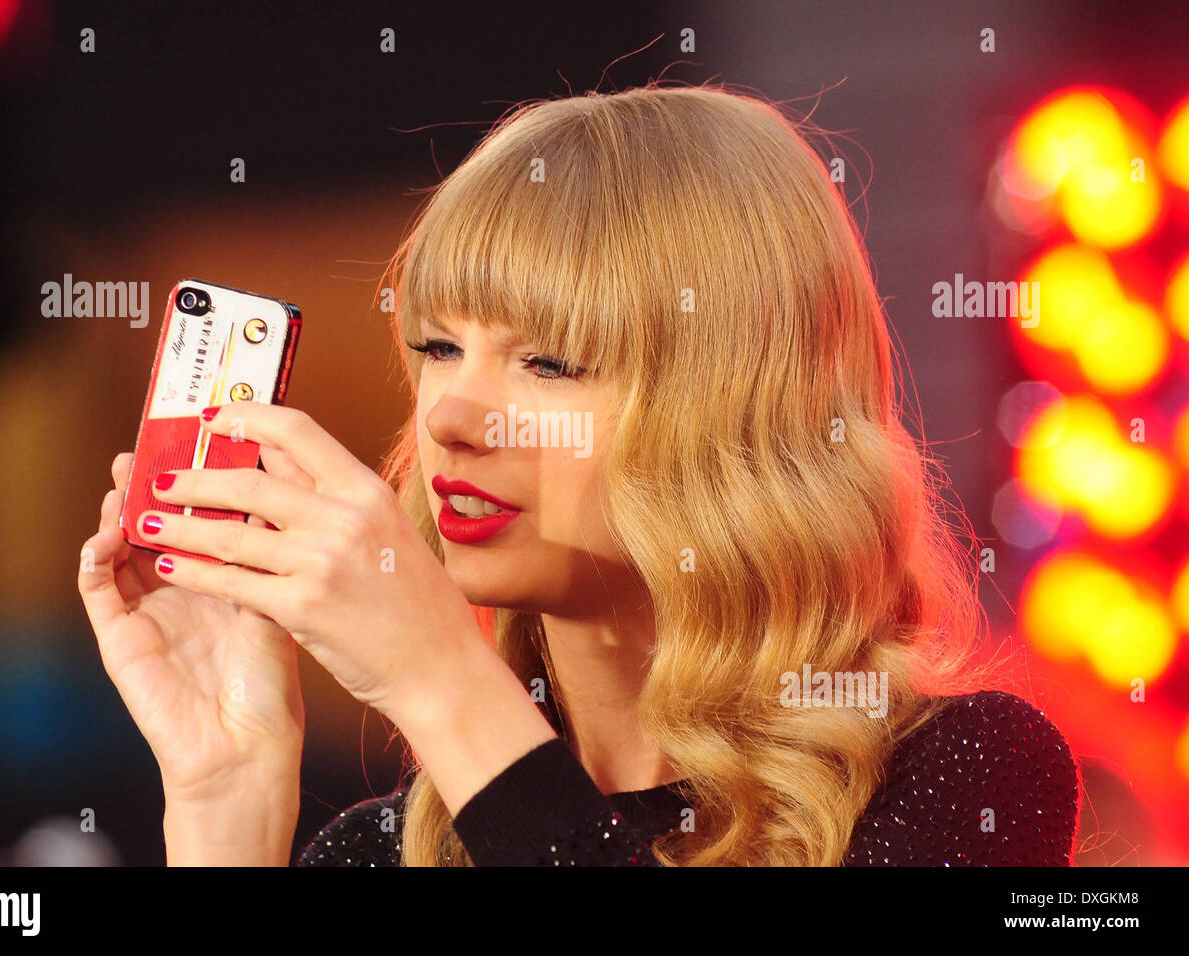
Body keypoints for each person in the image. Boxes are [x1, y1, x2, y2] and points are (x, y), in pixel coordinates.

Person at [77, 82, 1079, 867]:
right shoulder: (385, 849)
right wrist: (227, 796)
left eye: (547, 361)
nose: (452, 415)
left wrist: (442, 681)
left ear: (732, 408)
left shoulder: (959, 774)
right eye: (434, 347)